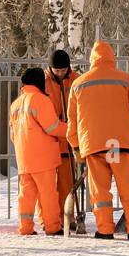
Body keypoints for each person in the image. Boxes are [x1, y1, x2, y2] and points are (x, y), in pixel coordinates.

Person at [67, 41, 129, 240]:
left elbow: (72, 121)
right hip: (118, 144)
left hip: (93, 145)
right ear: (112, 57)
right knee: (128, 188)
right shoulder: (125, 79)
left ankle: (104, 230)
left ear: (92, 60)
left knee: (100, 192)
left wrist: (76, 146)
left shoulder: (78, 84)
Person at [8, 67, 69, 236]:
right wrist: (71, 130)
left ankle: (25, 227)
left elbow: (13, 135)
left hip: (24, 158)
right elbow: (53, 127)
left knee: (26, 194)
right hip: (43, 157)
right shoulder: (40, 99)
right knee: (48, 193)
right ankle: (53, 227)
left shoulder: (16, 104)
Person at [44, 49, 80, 229]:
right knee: (47, 186)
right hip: (49, 141)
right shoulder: (42, 82)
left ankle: (68, 217)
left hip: (69, 140)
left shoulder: (76, 80)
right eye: (56, 70)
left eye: (63, 70)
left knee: (68, 183)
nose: (59, 73)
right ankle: (48, 219)